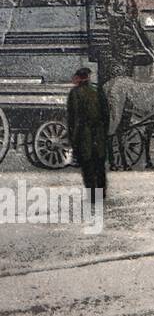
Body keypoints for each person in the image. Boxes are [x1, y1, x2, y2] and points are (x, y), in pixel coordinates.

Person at [66, 67, 109, 213]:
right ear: (88, 77)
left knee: (87, 165)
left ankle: (92, 195)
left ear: (78, 77)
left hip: (83, 134)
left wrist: (73, 138)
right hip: (99, 133)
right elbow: (105, 114)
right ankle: (101, 192)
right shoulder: (98, 90)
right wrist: (104, 131)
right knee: (99, 164)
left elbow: (73, 118)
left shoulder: (74, 93)